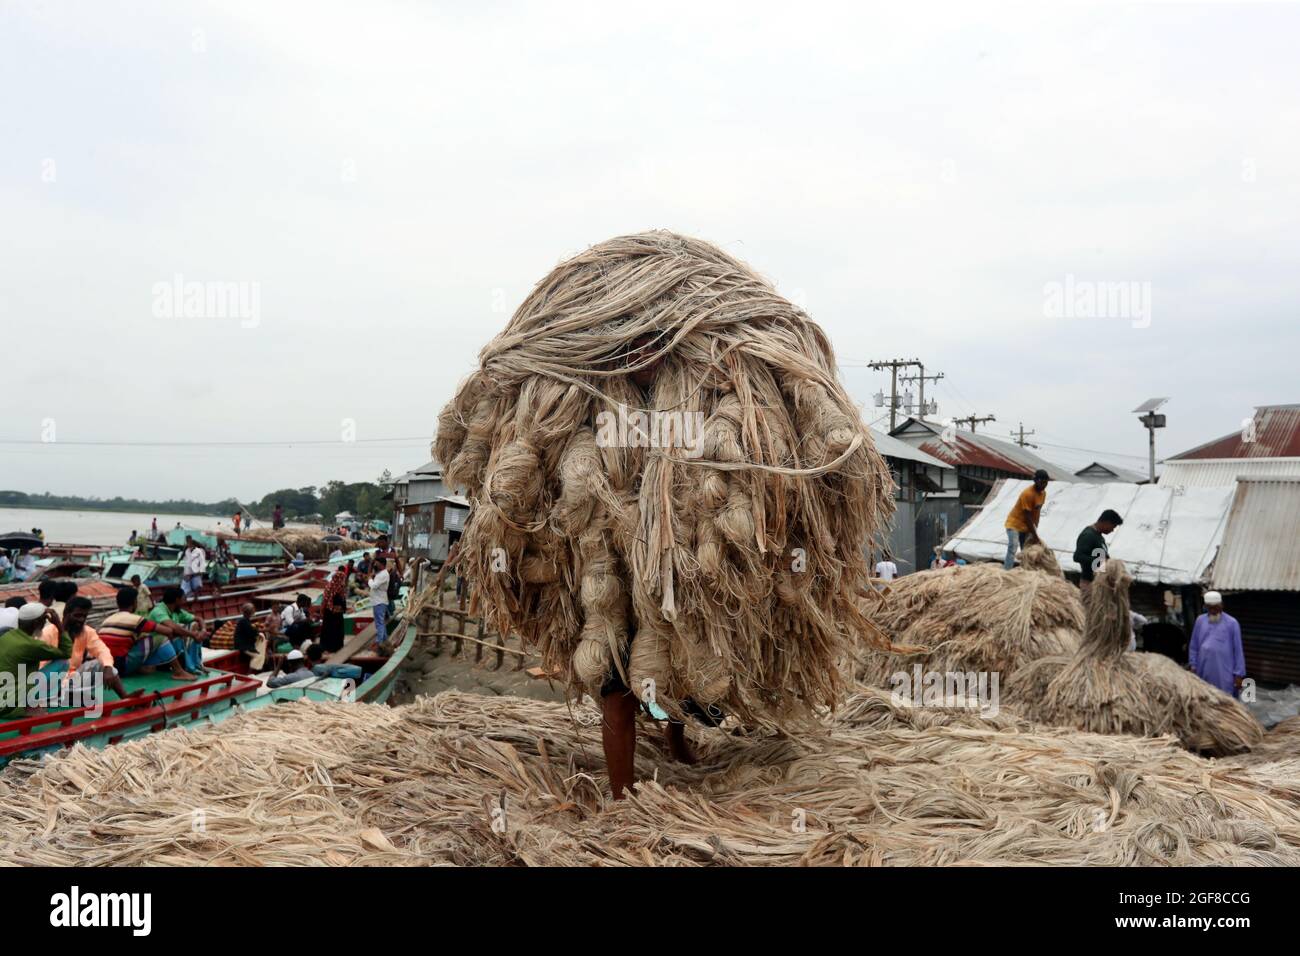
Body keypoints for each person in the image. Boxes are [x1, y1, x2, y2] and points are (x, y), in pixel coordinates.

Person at [98, 587, 197, 680]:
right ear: (134, 602)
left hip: (106, 668)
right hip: (121, 667)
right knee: (160, 637)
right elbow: (168, 631)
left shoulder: (106, 620)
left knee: (144, 642)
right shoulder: (136, 620)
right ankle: (178, 672)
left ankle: (143, 667)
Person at [62, 596, 142, 703]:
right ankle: (66, 695)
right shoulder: (50, 632)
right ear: (66, 614)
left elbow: (102, 650)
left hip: (73, 675)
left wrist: (107, 667)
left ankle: (125, 697)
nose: (81, 620)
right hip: (52, 679)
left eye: (84, 616)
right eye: (77, 615)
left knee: (105, 665)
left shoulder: (87, 632)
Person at [0, 604, 71, 719]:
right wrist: (59, 625)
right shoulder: (31, 645)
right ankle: (33, 704)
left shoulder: (7, 635)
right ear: (36, 623)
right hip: (8, 705)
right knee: (63, 662)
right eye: (44, 620)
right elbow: (66, 653)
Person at [1188, 591, 1246, 698]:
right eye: (1210, 608)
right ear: (1205, 607)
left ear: (1222, 606)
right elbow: (1194, 645)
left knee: (1225, 700)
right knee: (1205, 698)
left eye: (1216, 607)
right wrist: (1193, 665)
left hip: (1224, 672)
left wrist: (1239, 674)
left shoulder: (1232, 623)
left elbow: (1238, 650)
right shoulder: (1200, 621)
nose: (1213, 611)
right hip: (1203, 669)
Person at [147, 587, 209, 674]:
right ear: (177, 600)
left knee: (193, 625)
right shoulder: (158, 611)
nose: (185, 600)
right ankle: (189, 668)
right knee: (179, 635)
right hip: (157, 649)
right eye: (183, 598)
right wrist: (194, 635)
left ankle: (196, 664)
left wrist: (203, 631)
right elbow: (173, 627)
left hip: (169, 645)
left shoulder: (176, 611)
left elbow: (199, 619)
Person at [1004, 469, 1051, 570]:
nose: (1044, 485)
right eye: (1042, 482)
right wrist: (1034, 535)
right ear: (1036, 481)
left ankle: (1025, 570)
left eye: (1046, 482)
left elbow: (1037, 512)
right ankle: (1006, 571)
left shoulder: (1043, 494)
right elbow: (1027, 516)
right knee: (1013, 546)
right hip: (1014, 524)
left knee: (1026, 550)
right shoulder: (1028, 494)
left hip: (1027, 526)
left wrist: (1035, 527)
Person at [1072, 509, 1124, 596]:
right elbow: (1077, 556)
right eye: (1113, 527)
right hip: (1089, 584)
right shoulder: (1088, 535)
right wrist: (1099, 561)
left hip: (1099, 583)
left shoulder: (1098, 536)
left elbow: (1103, 556)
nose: (1112, 530)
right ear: (1107, 522)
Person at [320, 561, 352, 653]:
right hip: (334, 614)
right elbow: (340, 601)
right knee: (335, 631)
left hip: (329, 613)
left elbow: (324, 601)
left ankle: (329, 647)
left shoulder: (330, 587)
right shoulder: (339, 588)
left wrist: (322, 612)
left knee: (329, 630)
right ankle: (334, 648)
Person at [368, 557, 390, 647]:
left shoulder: (383, 574)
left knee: (379, 623)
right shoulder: (380, 574)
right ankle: (385, 640)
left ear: (381, 564)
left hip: (379, 601)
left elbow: (374, 586)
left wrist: (369, 579)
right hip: (377, 601)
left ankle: (379, 642)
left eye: (376, 563)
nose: (375, 565)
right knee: (380, 622)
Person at [232, 603, 262, 668]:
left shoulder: (244, 620)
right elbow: (251, 632)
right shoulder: (244, 621)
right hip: (243, 647)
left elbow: (251, 631)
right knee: (259, 657)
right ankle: (250, 672)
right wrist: (258, 633)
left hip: (244, 644)